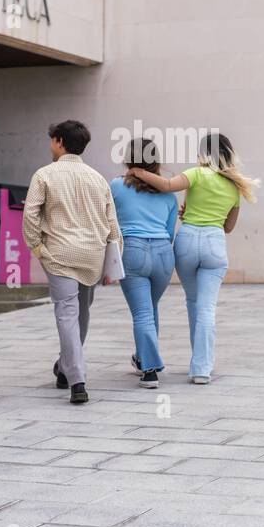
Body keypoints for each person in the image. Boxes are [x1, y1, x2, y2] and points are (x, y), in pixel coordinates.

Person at [129, 131, 258, 383]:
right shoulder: (234, 186)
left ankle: (196, 360)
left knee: (193, 302)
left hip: (187, 240)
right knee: (207, 308)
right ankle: (201, 368)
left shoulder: (197, 173)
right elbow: (228, 227)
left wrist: (140, 172)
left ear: (203, 153)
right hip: (214, 243)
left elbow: (166, 186)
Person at [23, 119, 122, 404]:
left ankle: (77, 380)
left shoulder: (44, 175)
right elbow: (112, 224)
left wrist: (37, 247)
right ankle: (66, 368)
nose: (51, 145)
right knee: (81, 313)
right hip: (93, 254)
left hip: (60, 254)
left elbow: (30, 214)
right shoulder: (98, 178)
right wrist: (113, 262)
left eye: (52, 140)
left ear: (60, 142)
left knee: (67, 314)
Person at [111, 138, 178, 388]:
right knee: (150, 308)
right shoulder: (169, 195)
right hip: (163, 253)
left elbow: (108, 217)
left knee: (142, 312)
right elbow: (170, 233)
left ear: (129, 159)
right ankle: (141, 358)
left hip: (133, 250)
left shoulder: (116, 186)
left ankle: (150, 370)